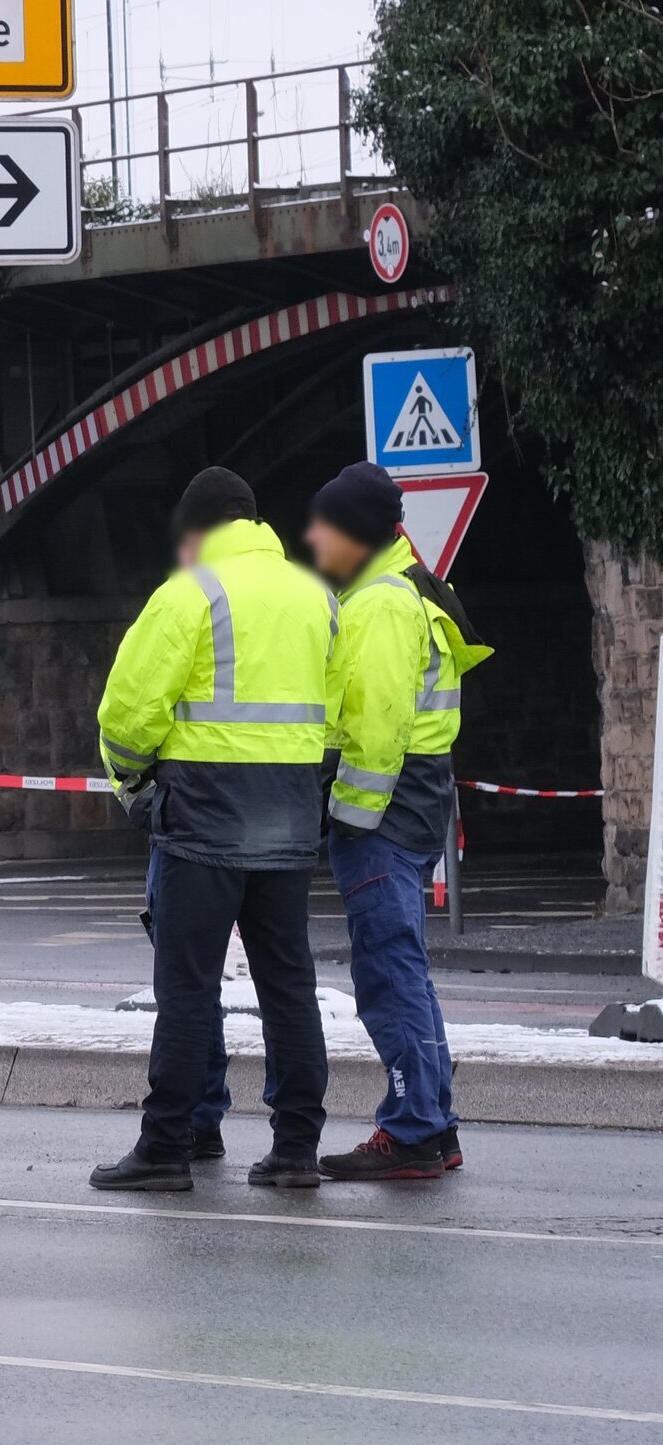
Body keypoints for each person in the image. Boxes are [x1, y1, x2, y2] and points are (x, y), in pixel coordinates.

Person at [90, 467, 334, 1193]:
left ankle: (168, 1145)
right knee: (289, 987)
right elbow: (342, 713)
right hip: (289, 820)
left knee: (190, 989)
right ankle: (295, 1150)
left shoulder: (189, 593)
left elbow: (127, 715)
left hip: (200, 825)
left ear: (196, 532)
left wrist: (136, 787)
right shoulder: (316, 597)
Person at [306, 462, 484, 1181]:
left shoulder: (378, 605)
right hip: (414, 804)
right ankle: (432, 1125)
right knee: (406, 969)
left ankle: (412, 1130)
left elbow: (375, 731)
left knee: (388, 974)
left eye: (323, 524)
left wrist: (345, 820)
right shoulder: (408, 589)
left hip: (382, 813)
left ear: (353, 532)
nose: (313, 537)